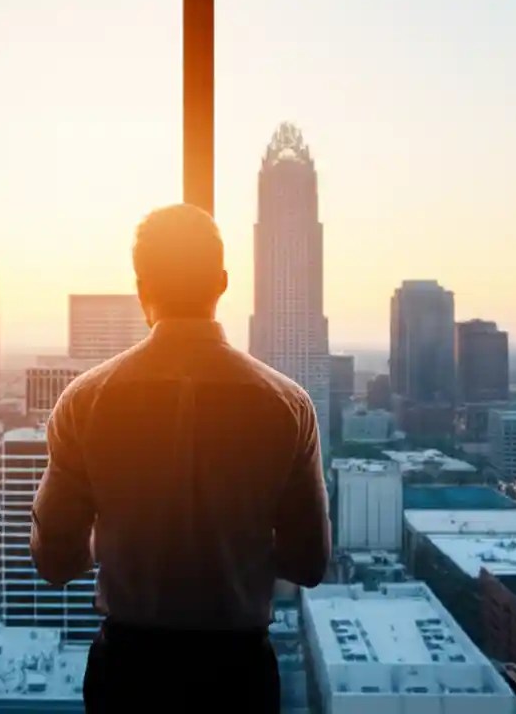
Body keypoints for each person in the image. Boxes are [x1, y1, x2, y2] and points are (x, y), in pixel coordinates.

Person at [31, 203, 331, 713]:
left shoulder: (85, 400)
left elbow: (54, 560)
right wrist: (233, 549)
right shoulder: (287, 404)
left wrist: (124, 544)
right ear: (222, 282)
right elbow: (309, 562)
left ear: (142, 285)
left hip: (129, 673)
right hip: (238, 675)